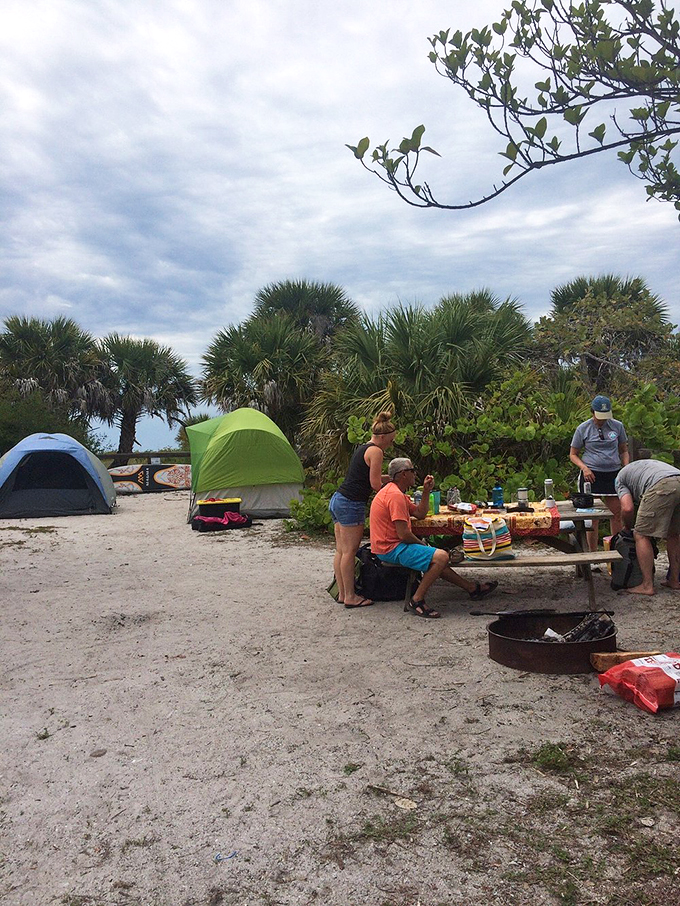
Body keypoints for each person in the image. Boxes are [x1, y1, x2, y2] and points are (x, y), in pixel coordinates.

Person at [369, 457, 498, 618]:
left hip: (391, 544)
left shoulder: (396, 493)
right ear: (403, 474)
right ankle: (416, 600)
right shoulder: (394, 496)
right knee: (441, 556)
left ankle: (472, 589)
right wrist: (426, 547)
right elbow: (403, 534)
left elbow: (420, 513)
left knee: (438, 558)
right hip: (390, 548)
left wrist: (426, 491)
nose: (415, 474)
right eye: (412, 470)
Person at [329, 411, 396, 608]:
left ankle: (343, 593)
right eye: (390, 441)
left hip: (339, 499)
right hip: (351, 503)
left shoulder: (363, 448)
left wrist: (391, 477)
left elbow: (368, 477)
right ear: (382, 437)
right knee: (350, 552)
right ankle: (351, 596)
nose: (390, 445)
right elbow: (375, 484)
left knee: (341, 551)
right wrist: (394, 493)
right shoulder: (376, 451)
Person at [569, 394, 630, 551]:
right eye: (599, 416)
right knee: (592, 517)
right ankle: (593, 553)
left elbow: (623, 450)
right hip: (591, 473)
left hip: (613, 473)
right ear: (592, 412)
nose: (602, 420)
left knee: (617, 513)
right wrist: (584, 468)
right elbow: (573, 454)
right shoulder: (583, 428)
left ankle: (616, 551)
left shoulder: (617, 426)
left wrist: (626, 468)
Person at [615, 459, 680, 596]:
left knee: (641, 534)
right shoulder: (639, 466)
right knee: (673, 534)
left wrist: (627, 527)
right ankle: (674, 580)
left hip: (662, 486)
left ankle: (647, 585)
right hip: (677, 479)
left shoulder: (619, 479)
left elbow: (627, 508)